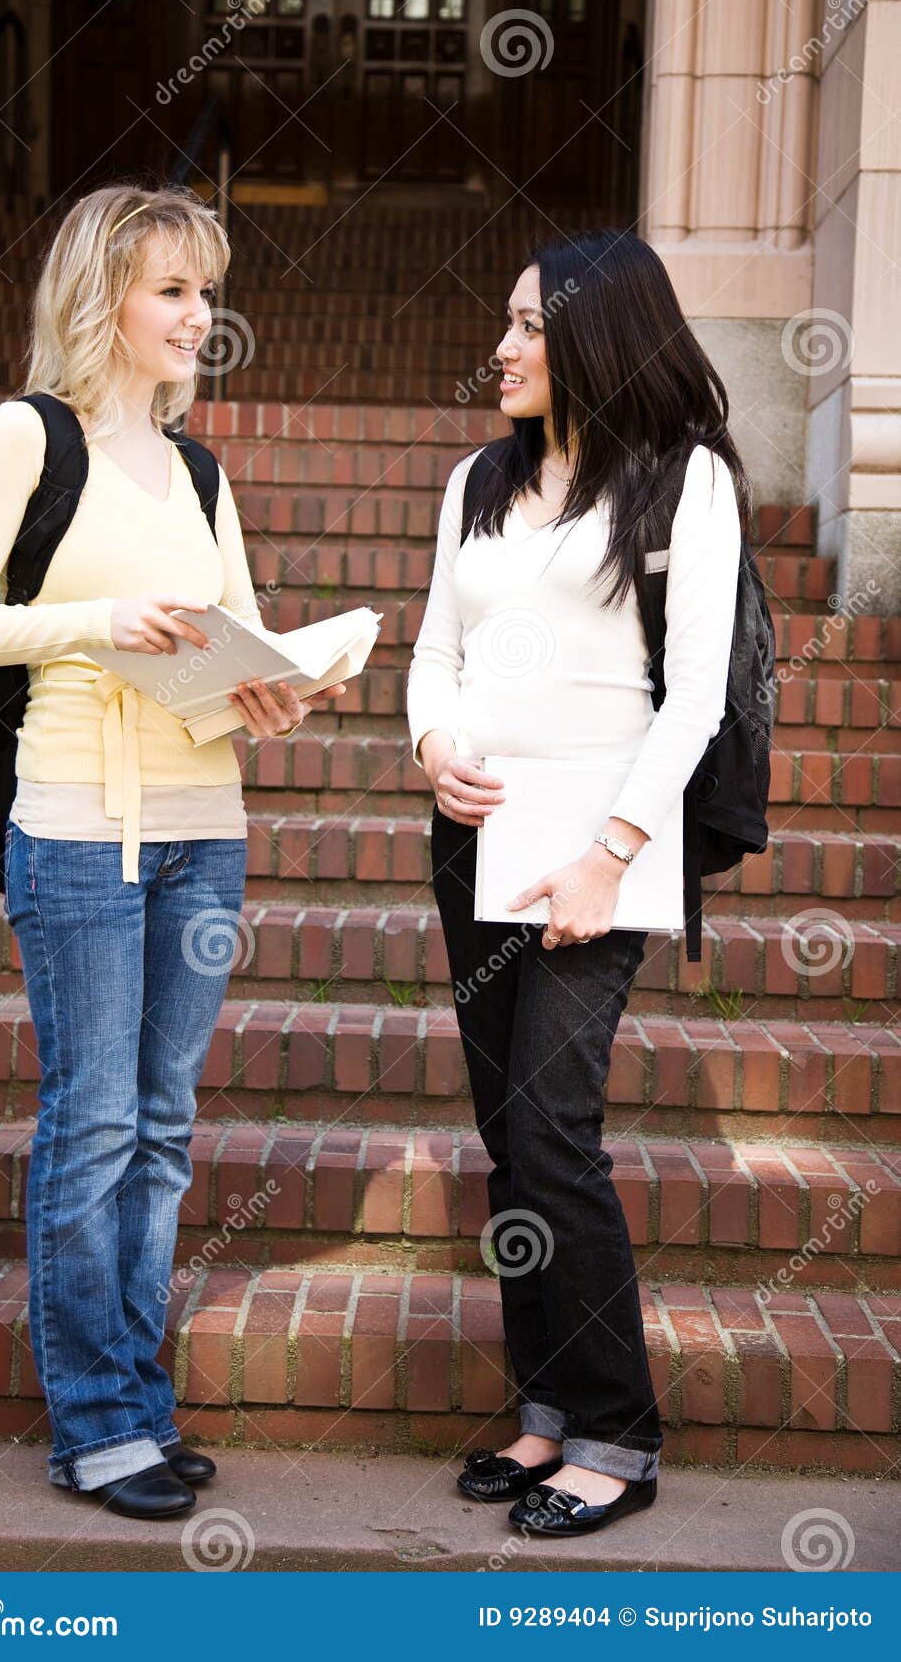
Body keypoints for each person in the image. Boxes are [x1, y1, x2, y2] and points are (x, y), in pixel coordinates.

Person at [0, 183, 344, 1520]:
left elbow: (235, 639)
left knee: (161, 1128)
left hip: (202, 829)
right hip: (76, 825)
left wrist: (276, 690)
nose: (199, 314)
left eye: (206, 291)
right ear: (102, 297)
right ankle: (97, 1422)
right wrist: (99, 621)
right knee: (94, 1121)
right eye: (173, 289)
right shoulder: (24, 437)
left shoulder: (200, 470)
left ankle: (137, 1402)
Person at [407, 229, 746, 1538]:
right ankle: (546, 1407)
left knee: (553, 1129)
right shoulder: (478, 481)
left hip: (599, 853)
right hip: (476, 843)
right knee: (511, 1138)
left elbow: (695, 693)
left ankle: (618, 1431)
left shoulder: (683, 478)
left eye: (530, 326)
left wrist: (610, 856)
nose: (502, 347)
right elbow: (435, 651)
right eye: (505, 322)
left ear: (601, 336)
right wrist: (434, 745)